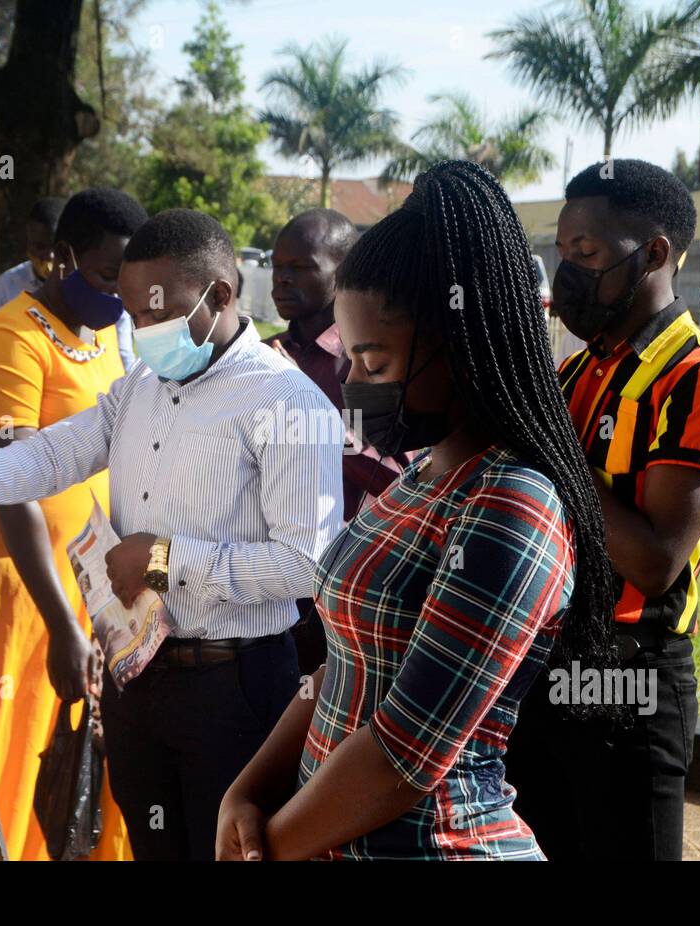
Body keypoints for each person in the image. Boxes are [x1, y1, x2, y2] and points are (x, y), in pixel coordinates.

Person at [0, 208, 344, 861]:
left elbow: (309, 562)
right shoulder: (141, 385)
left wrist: (167, 558)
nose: (143, 330)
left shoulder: (287, 403)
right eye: (132, 312)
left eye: (160, 312)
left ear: (220, 294)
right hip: (139, 678)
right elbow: (53, 455)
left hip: (233, 686)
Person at [215, 160, 619, 861]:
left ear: (462, 348)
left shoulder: (511, 503)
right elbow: (339, 664)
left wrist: (270, 849)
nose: (348, 383)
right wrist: (245, 791)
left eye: (373, 363)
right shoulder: (422, 474)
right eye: (350, 357)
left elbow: (404, 754)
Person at [506, 158, 700, 862]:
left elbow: (656, 561)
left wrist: (551, 448)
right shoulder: (577, 370)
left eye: (585, 254)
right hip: (546, 666)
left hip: (632, 678)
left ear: (653, 254)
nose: (567, 272)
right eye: (561, 252)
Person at [0, 188, 147, 861]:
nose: (119, 293)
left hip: (76, 586)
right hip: (8, 582)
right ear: (63, 256)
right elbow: (9, 481)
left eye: (129, 280)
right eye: (108, 274)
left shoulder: (109, 337)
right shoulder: (12, 337)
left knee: (51, 764)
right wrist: (60, 622)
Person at [263, 208, 412, 672]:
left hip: (344, 592)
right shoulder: (263, 357)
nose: (281, 280)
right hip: (263, 586)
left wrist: (312, 412)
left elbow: (398, 476)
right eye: (277, 267)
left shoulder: (367, 359)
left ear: (341, 271)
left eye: (300, 267)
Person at [0, 197, 137, 372]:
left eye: (121, 280)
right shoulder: (10, 324)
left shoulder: (104, 319)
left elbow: (124, 360)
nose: (48, 256)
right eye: (107, 275)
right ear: (65, 255)